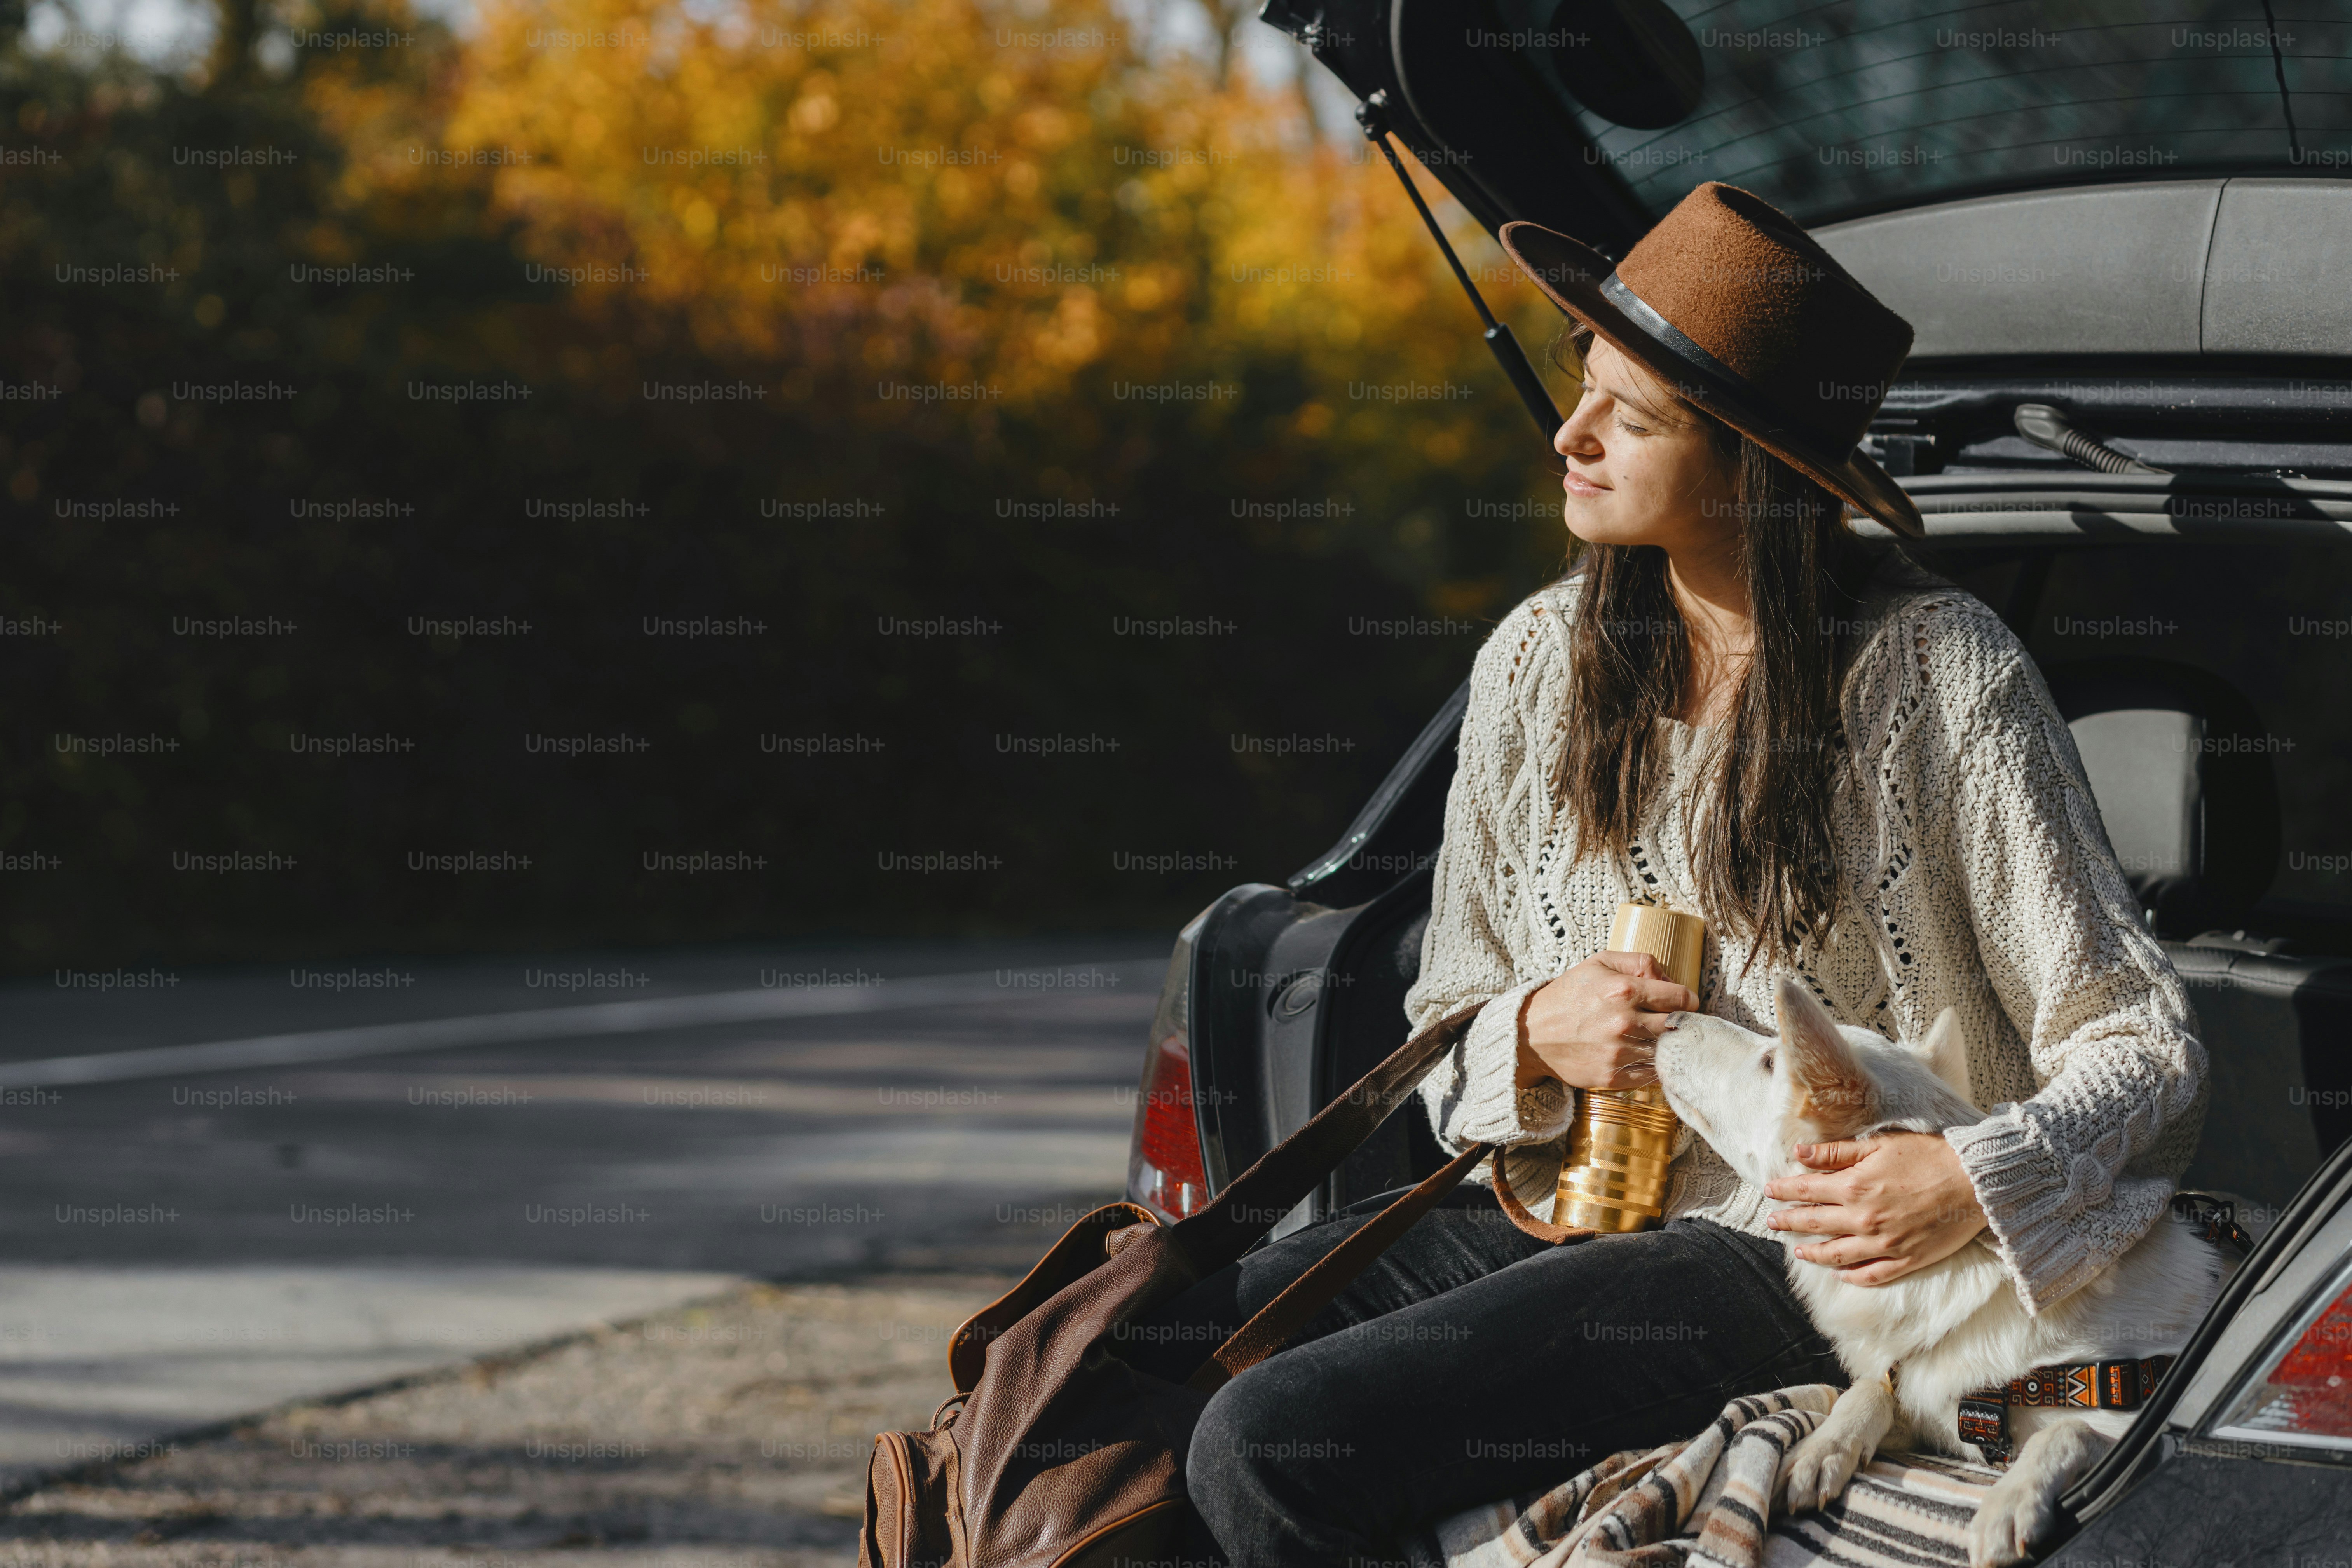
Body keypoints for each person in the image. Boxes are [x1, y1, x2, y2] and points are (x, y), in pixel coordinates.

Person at [1124, 183, 2206, 1568]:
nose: (1569, 435)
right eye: (1584, 389)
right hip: (1545, 1210)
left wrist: (1967, 1174)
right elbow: (1445, 1014)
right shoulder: (1532, 661)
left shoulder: (1942, 678)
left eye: (1629, 417)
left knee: (1267, 1444)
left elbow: (2142, 1045)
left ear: (1752, 464)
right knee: (1140, 1350)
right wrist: (1531, 1028)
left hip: (1782, 1255)